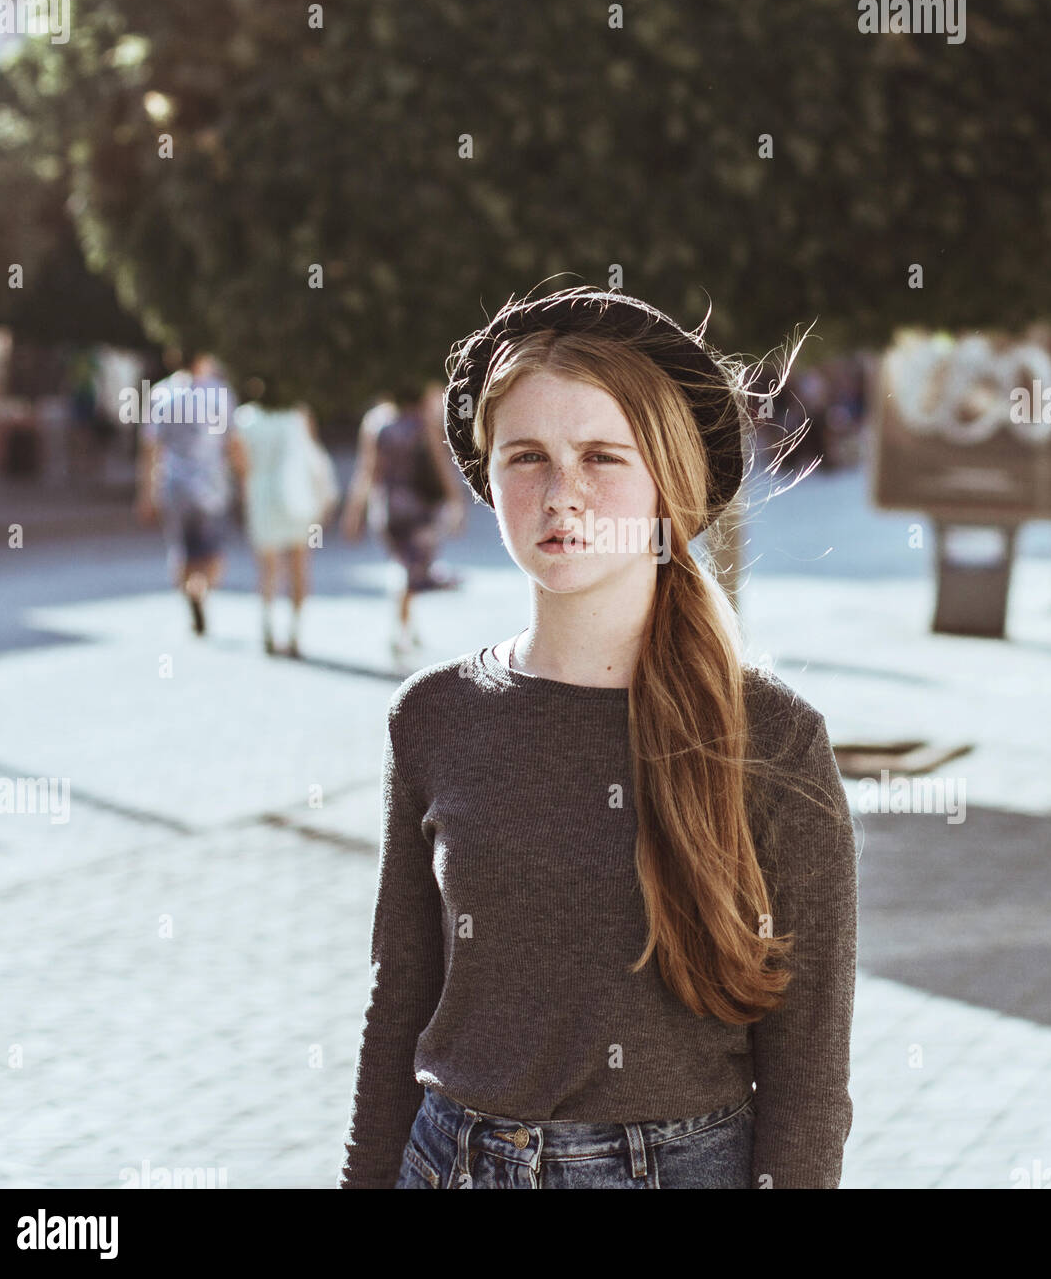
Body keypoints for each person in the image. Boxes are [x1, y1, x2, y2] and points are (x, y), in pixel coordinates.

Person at [337, 285, 860, 1190]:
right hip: (445, 1163)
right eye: (527, 457)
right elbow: (399, 1004)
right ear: (488, 474)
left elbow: (809, 1074)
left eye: (602, 458)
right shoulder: (432, 716)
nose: (560, 494)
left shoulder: (771, 739)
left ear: (667, 481)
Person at [341, 378, 467, 662]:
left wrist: (354, 513)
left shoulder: (376, 423)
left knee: (403, 564)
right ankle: (400, 629)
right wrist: (457, 501)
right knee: (410, 568)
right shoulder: (422, 422)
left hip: (386, 507)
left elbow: (367, 471)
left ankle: (407, 627)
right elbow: (440, 463)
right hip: (418, 507)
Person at [135, 349, 244, 636]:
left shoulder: (161, 394)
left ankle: (190, 592)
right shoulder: (220, 393)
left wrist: (146, 493)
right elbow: (232, 443)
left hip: (173, 485)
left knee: (181, 551)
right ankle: (201, 588)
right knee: (213, 553)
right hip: (212, 487)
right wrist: (245, 480)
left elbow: (150, 448)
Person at [231, 375, 339, 657]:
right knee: (299, 566)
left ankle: (267, 626)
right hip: (297, 496)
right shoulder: (298, 414)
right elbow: (313, 455)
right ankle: (294, 632)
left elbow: (240, 464)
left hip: (262, 496)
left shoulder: (244, 419)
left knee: (267, 568)